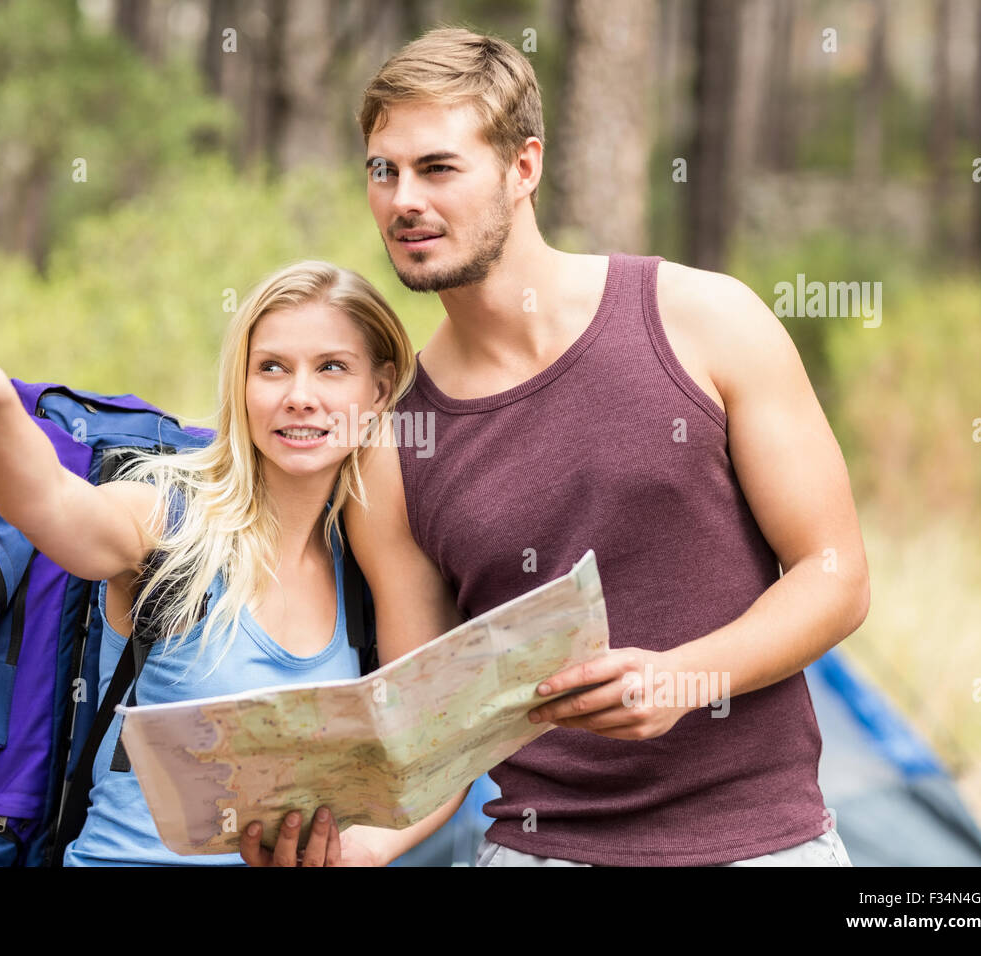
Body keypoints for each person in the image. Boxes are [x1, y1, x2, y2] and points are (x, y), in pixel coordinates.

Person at [250, 28, 868, 867]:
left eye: (437, 168)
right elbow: (437, 732)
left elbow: (836, 577)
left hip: (766, 846)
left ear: (524, 167)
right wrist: (350, 851)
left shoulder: (707, 321)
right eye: (381, 170)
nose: (402, 200)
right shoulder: (390, 450)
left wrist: (683, 679)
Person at [0, 259, 466, 866]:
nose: (299, 397)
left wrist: (361, 854)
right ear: (241, 385)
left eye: (332, 368)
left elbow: (435, 747)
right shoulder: (171, 521)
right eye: (271, 368)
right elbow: (52, 505)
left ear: (376, 390)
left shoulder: (369, 564)